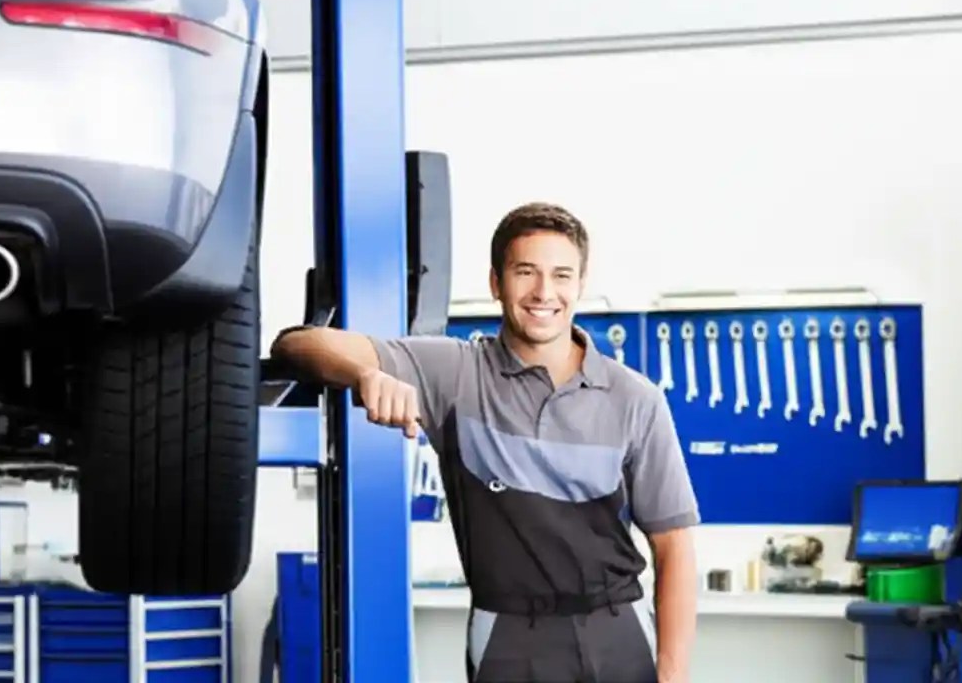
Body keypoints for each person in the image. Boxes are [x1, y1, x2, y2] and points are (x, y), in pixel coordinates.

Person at [270, 202, 700, 683]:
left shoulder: (634, 398)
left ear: (580, 283)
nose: (544, 292)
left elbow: (674, 545)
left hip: (618, 629)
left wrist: (673, 672)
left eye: (561, 275)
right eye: (525, 272)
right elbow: (296, 345)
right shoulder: (455, 375)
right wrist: (365, 374)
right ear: (496, 283)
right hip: (509, 635)